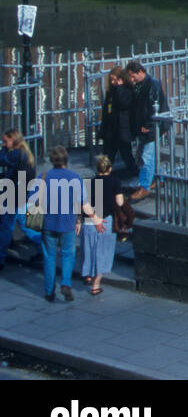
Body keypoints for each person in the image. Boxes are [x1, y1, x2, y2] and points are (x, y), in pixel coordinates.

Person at [38, 146, 84, 303]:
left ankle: (49, 291)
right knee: (68, 254)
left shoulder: (43, 177)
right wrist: (79, 220)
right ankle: (66, 283)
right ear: (66, 159)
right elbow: (80, 202)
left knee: (49, 256)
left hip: (48, 222)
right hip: (68, 222)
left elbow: (32, 200)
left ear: (51, 160)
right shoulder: (75, 177)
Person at [126, 60, 170, 202]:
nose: (132, 79)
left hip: (153, 126)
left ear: (140, 72)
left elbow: (155, 107)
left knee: (146, 156)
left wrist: (149, 125)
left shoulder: (152, 85)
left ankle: (144, 186)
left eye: (133, 76)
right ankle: (159, 178)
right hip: (148, 126)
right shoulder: (141, 85)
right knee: (150, 154)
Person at [79, 155, 122, 296]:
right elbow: (120, 202)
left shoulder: (88, 183)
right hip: (105, 219)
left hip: (90, 219)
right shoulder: (115, 182)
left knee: (89, 250)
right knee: (102, 253)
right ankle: (95, 286)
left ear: (97, 169)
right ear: (110, 168)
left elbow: (82, 204)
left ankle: (87, 275)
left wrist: (78, 221)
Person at [0, 130, 36, 270]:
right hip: (24, 194)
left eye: (5, 141)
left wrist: (3, 149)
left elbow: (1, 159)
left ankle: (1, 257)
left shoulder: (14, 154)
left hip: (13, 196)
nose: (3, 144)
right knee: (26, 224)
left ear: (13, 140)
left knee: (6, 228)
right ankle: (41, 248)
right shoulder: (25, 153)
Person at [99, 65, 136, 180]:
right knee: (108, 154)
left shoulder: (128, 90)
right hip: (111, 128)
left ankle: (133, 173)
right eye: (111, 80)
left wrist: (120, 88)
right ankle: (104, 174)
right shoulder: (111, 92)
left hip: (122, 128)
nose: (113, 82)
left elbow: (124, 104)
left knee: (126, 153)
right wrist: (103, 129)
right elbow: (106, 111)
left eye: (115, 79)